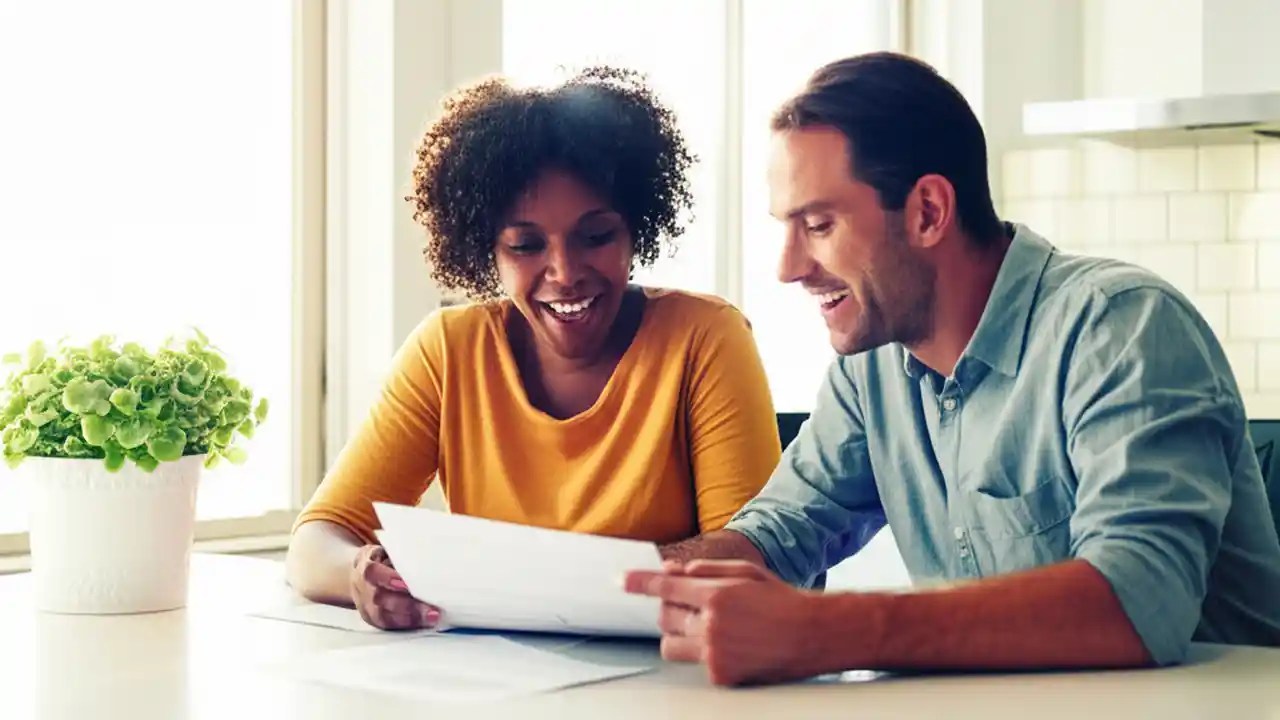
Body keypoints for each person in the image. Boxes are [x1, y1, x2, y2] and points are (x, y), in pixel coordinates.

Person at [624, 52, 1280, 686]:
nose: (788, 267)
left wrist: (828, 630)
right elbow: (779, 533)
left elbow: (1141, 599)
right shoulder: (872, 364)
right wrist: (626, 585)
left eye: (819, 224)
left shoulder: (1120, 326)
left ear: (929, 211)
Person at [286, 66, 781, 631]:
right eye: (525, 245)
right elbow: (312, 544)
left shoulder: (704, 337)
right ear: (484, 250)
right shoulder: (448, 351)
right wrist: (359, 572)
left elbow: (750, 559)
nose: (566, 273)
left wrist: (559, 588)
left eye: (596, 237)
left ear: (635, 232)